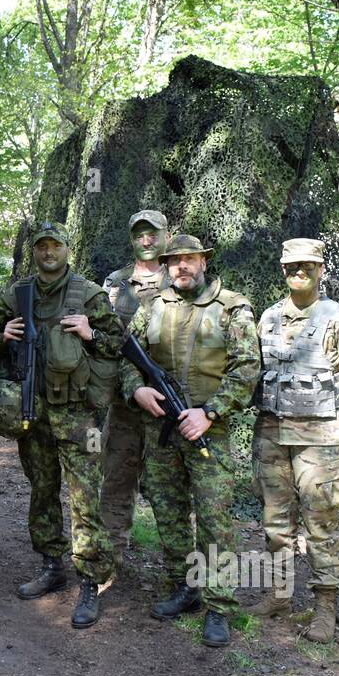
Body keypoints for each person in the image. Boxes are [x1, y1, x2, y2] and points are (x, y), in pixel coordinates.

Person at [120, 234, 261, 647]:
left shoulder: (232, 307)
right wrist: (137, 390)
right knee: (169, 511)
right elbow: (125, 356)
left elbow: (247, 369)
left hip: (208, 431)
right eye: (174, 260)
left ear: (203, 261)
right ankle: (184, 588)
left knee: (215, 520)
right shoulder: (152, 308)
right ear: (166, 265)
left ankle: (219, 606)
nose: (182, 266)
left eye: (189, 259)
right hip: (161, 429)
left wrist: (210, 412)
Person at [0, 222, 123, 629]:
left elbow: (119, 344)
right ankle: (51, 565)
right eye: (42, 246)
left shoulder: (88, 294)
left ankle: (89, 579)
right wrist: (1, 335)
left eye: (56, 245)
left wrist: (90, 333)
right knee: (42, 488)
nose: (48, 252)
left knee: (84, 496)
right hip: (32, 408)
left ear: (68, 248)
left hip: (76, 412)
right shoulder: (15, 295)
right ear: (35, 251)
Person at [247, 238, 339, 643]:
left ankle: (324, 608)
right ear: (283, 270)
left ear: (320, 269)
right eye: (291, 266)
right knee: (276, 522)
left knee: (323, 524)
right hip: (272, 433)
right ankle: (280, 596)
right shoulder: (267, 319)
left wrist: (322, 412)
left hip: (322, 440)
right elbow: (257, 369)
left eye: (306, 266)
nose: (298, 272)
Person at [99, 210, 170, 565]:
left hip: (166, 405)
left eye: (153, 234)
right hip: (123, 402)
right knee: (116, 482)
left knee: (168, 489)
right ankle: (108, 561)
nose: (146, 241)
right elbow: (104, 338)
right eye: (140, 235)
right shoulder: (114, 283)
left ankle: (179, 570)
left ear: (166, 235)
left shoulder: (180, 279)